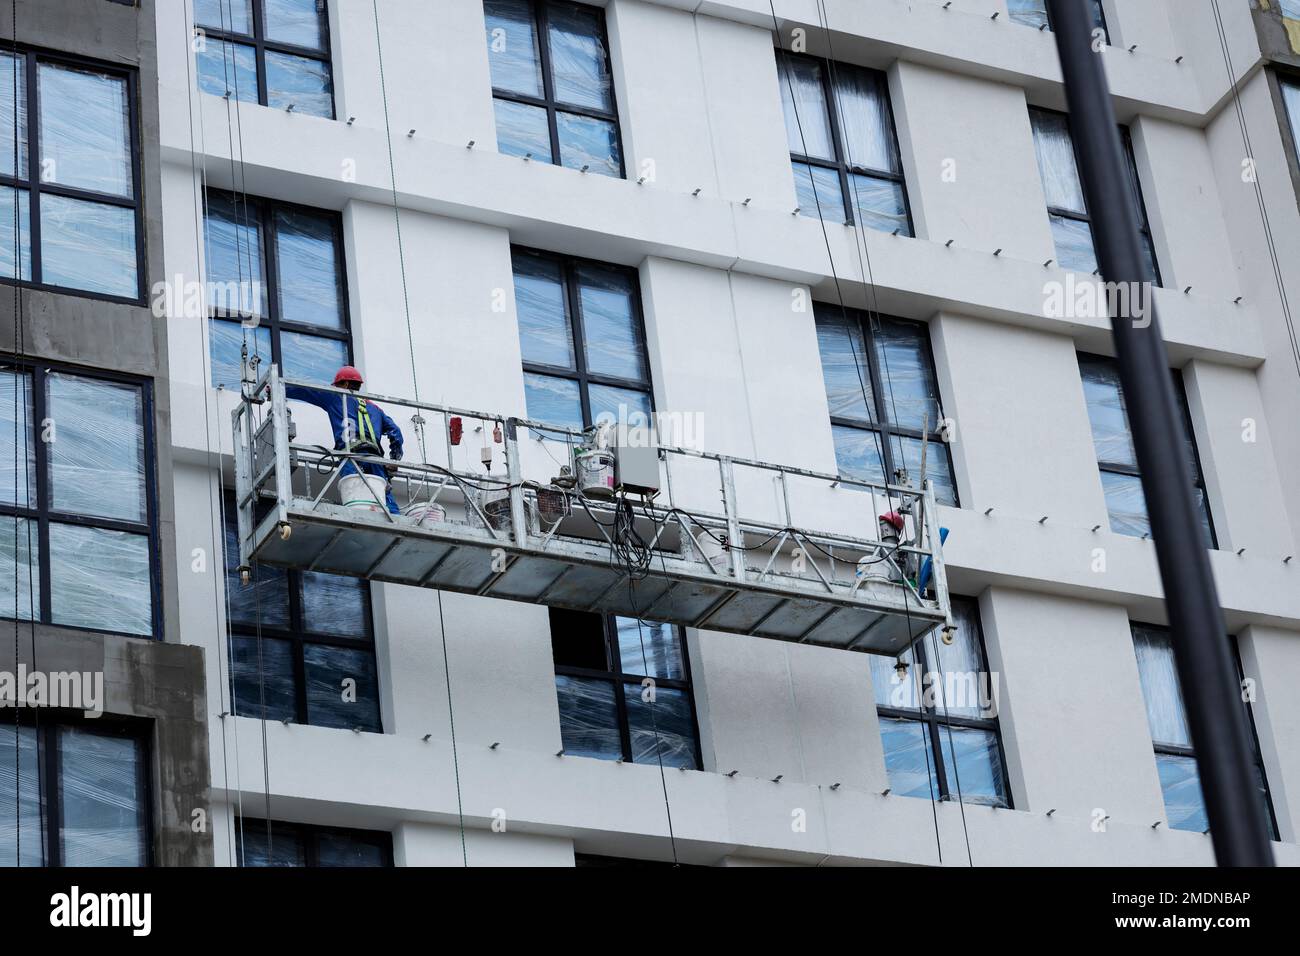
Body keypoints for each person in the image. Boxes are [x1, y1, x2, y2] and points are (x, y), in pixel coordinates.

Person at [285, 366, 404, 514]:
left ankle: (360, 517)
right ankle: (395, 519)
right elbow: (396, 432)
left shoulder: (336, 397)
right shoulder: (375, 409)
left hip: (351, 456)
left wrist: (279, 388)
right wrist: (394, 460)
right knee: (383, 495)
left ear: (345, 384)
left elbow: (306, 391)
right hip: (375, 459)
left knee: (355, 496)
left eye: (337, 385)